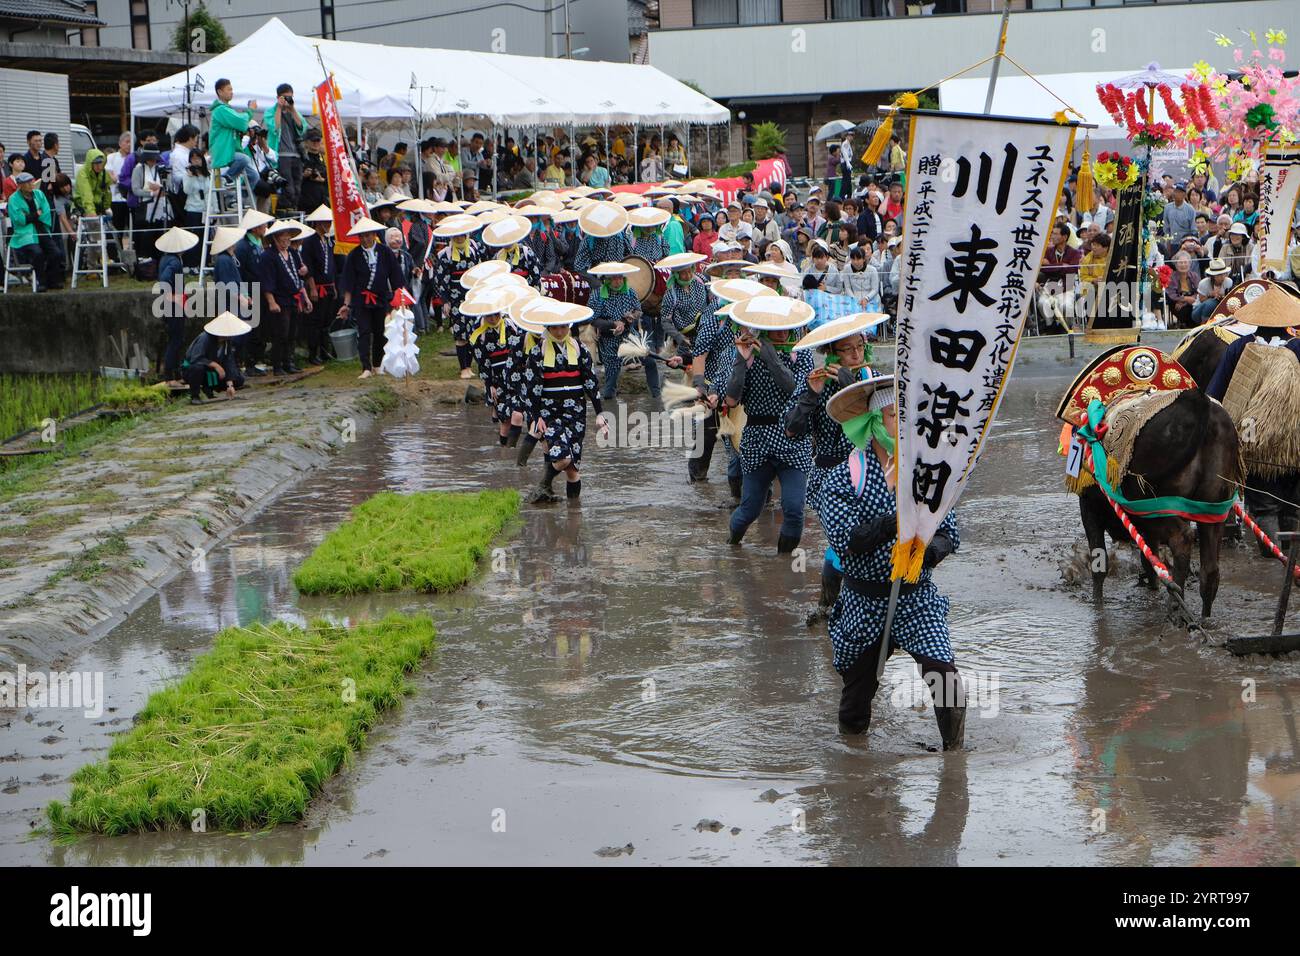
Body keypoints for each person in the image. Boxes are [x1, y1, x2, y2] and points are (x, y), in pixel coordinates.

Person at [816, 375, 964, 748]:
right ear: (872, 423)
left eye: (908, 417)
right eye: (893, 416)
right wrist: (892, 524)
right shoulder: (844, 478)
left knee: (946, 681)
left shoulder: (927, 475)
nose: (903, 426)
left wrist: (931, 551)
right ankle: (853, 766)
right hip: (864, 602)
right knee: (855, 703)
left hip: (916, 597)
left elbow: (950, 533)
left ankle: (954, 761)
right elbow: (846, 540)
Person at [785, 313, 887, 623]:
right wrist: (812, 394)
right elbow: (792, 430)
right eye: (847, 349)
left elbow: (886, 423)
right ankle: (829, 604)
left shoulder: (875, 378)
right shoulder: (815, 383)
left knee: (876, 537)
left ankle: (872, 599)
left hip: (872, 473)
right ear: (832, 354)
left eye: (860, 346)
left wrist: (851, 383)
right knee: (842, 541)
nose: (856, 354)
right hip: (830, 476)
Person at [1206, 283, 1300, 551]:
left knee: (1263, 505)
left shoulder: (1239, 347)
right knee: (1293, 504)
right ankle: (1291, 559)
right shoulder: (1298, 348)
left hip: (1252, 438)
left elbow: (1214, 394)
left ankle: (1272, 554)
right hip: (1295, 443)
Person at [725, 295, 816, 554]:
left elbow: (795, 390)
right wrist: (741, 360)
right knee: (750, 508)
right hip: (757, 438)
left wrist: (771, 357)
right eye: (775, 329)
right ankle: (732, 545)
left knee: (794, 508)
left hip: (793, 438)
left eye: (785, 327)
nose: (782, 332)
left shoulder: (802, 355)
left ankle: (783, 564)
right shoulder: (748, 353)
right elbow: (732, 399)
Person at [521, 299, 610, 503]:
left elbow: (590, 383)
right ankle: (544, 483)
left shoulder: (579, 348)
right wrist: (536, 417)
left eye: (563, 327)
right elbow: (532, 388)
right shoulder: (538, 352)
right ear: (548, 328)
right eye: (555, 327)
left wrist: (599, 414)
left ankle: (573, 515)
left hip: (576, 413)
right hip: (550, 413)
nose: (560, 331)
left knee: (573, 471)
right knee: (563, 458)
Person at [589, 260, 660, 400]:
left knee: (650, 360)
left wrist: (630, 316)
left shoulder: (630, 292)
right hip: (609, 340)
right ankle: (608, 402)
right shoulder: (597, 295)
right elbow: (593, 319)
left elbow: (639, 311)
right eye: (614, 278)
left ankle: (656, 394)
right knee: (611, 379)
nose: (618, 281)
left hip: (629, 335)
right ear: (607, 280)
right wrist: (613, 324)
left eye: (620, 277)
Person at [339, 217, 400, 379]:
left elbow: (396, 276)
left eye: (368, 235)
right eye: (362, 236)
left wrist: (399, 297)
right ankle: (366, 366)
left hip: (381, 298)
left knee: (380, 332)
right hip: (361, 300)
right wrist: (346, 304)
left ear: (374, 235)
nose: (365, 239)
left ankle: (378, 364)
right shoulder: (354, 255)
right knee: (364, 332)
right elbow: (348, 280)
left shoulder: (385, 252)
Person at [431, 213, 486, 378]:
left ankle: (476, 366)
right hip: (456, 298)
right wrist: (446, 301)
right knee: (460, 334)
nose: (460, 237)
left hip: (475, 297)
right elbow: (441, 280)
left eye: (462, 234)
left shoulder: (476, 248)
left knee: (475, 333)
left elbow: (483, 270)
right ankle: (464, 368)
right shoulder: (445, 254)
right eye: (456, 235)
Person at [257, 219, 312, 375]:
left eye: (288, 236)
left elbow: (299, 278)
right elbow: (266, 281)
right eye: (283, 236)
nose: (286, 239)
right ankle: (277, 365)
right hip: (279, 300)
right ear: (275, 237)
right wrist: (271, 302)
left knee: (293, 332)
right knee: (281, 333)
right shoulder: (268, 256)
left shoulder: (293, 254)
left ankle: (289, 362)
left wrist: (305, 298)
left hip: (294, 298)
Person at [154, 226, 199, 382]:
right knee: (176, 340)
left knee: (176, 339)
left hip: (171, 305)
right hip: (173, 306)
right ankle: (169, 373)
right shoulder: (174, 262)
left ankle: (175, 372)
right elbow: (164, 280)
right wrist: (173, 297)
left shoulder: (166, 259)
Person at [8, 171, 65, 290]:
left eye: (32, 181)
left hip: (41, 229)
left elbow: (45, 212)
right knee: (37, 253)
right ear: (20, 185)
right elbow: (19, 219)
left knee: (56, 253)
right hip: (24, 234)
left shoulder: (39, 194)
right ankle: (41, 282)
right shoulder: (13, 199)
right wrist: (35, 214)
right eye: (27, 182)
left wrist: (30, 216)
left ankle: (52, 280)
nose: (31, 184)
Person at [181, 312, 249, 403]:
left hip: (212, 372)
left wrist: (230, 385)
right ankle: (195, 396)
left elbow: (229, 361)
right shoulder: (205, 338)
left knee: (239, 379)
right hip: (194, 370)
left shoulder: (226, 342)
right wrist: (216, 365)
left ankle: (209, 389)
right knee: (197, 368)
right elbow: (196, 359)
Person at [209, 78, 261, 196]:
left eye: (232, 89)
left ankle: (235, 199)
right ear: (220, 92)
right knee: (243, 159)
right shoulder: (220, 110)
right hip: (223, 150)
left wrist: (245, 132)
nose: (231, 92)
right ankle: (227, 178)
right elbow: (241, 122)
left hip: (231, 149)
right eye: (229, 89)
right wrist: (251, 109)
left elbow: (238, 126)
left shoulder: (226, 109)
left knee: (254, 176)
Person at [301, 205, 339, 364]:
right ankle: (313, 353)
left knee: (327, 320)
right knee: (315, 321)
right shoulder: (310, 242)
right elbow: (308, 265)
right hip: (317, 286)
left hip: (329, 285)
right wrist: (312, 287)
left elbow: (332, 266)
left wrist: (334, 286)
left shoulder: (328, 241)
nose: (329, 225)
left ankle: (325, 351)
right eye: (326, 222)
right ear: (318, 223)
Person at [130, 147, 172, 259]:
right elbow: (135, 190)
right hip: (144, 207)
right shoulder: (138, 169)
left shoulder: (159, 169)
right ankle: (144, 260)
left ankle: (158, 259)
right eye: (150, 159)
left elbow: (168, 187)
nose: (153, 162)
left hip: (160, 206)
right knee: (145, 236)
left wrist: (161, 190)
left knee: (159, 233)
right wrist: (152, 193)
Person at [1191, 258, 1231, 324]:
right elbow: (1201, 300)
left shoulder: (1228, 282)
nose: (1223, 277)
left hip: (1219, 310)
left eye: (1224, 274)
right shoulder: (1203, 283)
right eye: (1219, 275)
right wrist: (1211, 295)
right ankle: (1205, 324)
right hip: (1198, 312)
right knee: (1211, 303)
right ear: (1213, 276)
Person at [300, 129, 329, 213]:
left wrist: (322, 180)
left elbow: (331, 180)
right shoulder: (301, 159)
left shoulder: (323, 159)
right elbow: (294, 180)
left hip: (322, 201)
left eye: (318, 140)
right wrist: (304, 175)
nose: (315, 143)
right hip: (306, 200)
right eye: (313, 140)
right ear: (306, 142)